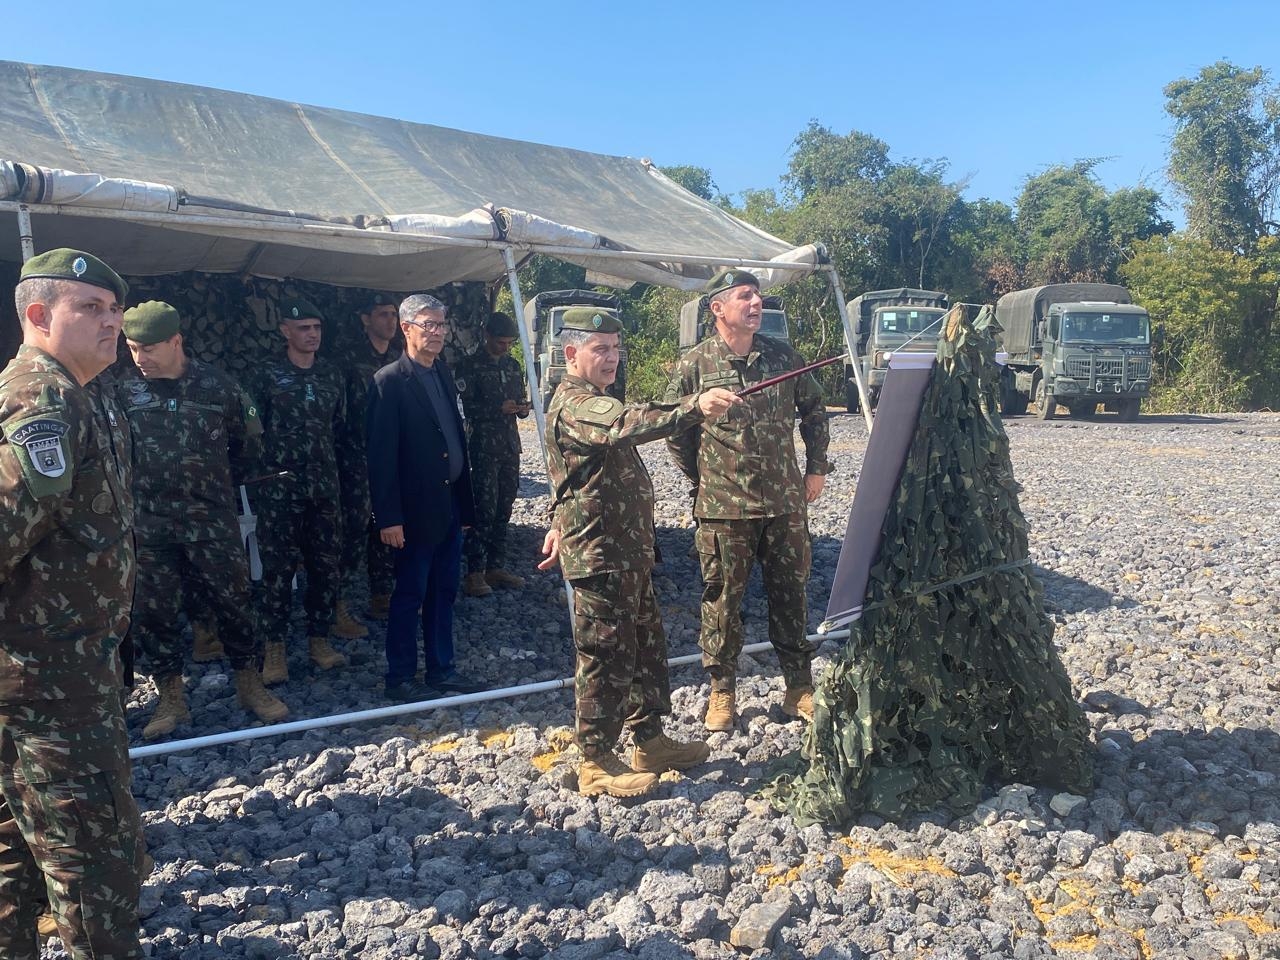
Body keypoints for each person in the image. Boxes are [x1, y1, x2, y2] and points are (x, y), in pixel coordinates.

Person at [0, 248, 145, 958]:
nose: (110, 322)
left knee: (15, 860)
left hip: (51, 678)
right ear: (36, 316)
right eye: (89, 308)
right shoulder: (45, 398)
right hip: (50, 689)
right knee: (96, 868)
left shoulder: (81, 392)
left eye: (113, 309)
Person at [538, 307, 741, 798]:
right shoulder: (577, 404)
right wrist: (694, 407)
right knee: (605, 655)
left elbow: (572, 477)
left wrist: (554, 519)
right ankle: (595, 760)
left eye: (615, 348)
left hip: (628, 552)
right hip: (602, 553)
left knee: (647, 647)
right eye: (599, 349)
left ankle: (649, 739)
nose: (611, 358)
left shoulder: (597, 397)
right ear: (571, 354)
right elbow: (628, 423)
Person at [665, 269, 833, 732]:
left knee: (791, 596)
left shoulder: (782, 357)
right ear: (718, 308)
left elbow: (815, 411)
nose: (756, 304)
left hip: (783, 504)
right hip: (724, 508)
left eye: (758, 297)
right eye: (745, 297)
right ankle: (722, 693)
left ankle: (798, 687)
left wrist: (816, 467)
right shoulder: (693, 366)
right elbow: (675, 431)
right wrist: (702, 479)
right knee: (722, 601)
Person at [118, 300, 289, 738]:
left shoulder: (219, 388)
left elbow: (247, 448)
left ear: (177, 341)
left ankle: (250, 686)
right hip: (150, 524)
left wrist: (211, 485)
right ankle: (170, 699)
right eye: (133, 348)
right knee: (153, 614)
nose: (141, 359)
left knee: (233, 602)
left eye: (150, 348)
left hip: (211, 520)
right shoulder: (122, 391)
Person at [366, 294, 483, 702]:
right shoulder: (390, 383)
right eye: (428, 325)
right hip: (413, 512)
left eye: (441, 325)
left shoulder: (443, 374)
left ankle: (441, 669)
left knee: (444, 592)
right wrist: (389, 517)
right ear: (406, 329)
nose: (437, 333)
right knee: (410, 594)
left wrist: (464, 507)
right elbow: (381, 457)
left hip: (447, 506)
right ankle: (399, 676)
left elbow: (453, 443)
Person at [245, 298, 348, 684]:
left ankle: (319, 641)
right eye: (303, 328)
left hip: (323, 487)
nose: (312, 335)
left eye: (316, 328)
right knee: (277, 572)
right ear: (285, 331)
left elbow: (339, 427)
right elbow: (251, 432)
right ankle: (275, 650)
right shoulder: (265, 375)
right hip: (280, 489)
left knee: (325, 567)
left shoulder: (332, 375)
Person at [337, 292, 402, 627]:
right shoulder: (348, 360)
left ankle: (382, 595)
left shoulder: (398, 358)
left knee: (387, 524)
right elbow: (340, 413)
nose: (389, 321)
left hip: (391, 458)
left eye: (393, 314)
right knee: (354, 530)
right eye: (382, 314)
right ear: (365, 320)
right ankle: (339, 607)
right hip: (356, 458)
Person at [457, 311, 531, 597]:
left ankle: (495, 566)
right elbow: (464, 409)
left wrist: (522, 409)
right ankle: (474, 572)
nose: (504, 347)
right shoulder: (469, 366)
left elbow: (519, 401)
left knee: (505, 506)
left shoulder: (513, 366)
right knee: (483, 510)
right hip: (483, 448)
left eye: (509, 343)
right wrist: (496, 409)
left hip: (510, 447)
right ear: (486, 335)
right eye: (500, 342)